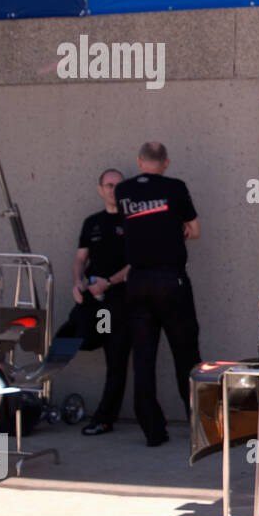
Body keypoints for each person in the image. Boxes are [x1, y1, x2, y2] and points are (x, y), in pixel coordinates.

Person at [113, 142, 202, 447]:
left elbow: (136, 225)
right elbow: (195, 229)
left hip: (136, 280)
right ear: (166, 162)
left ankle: (152, 430)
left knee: (144, 357)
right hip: (169, 279)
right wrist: (178, 228)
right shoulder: (175, 186)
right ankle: (199, 424)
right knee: (186, 354)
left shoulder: (122, 191)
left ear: (139, 162)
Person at [76, 169, 132, 436]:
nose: (113, 190)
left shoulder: (133, 221)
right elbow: (80, 259)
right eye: (109, 186)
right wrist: (78, 281)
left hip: (121, 301)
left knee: (116, 356)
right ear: (100, 189)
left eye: (118, 186)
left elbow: (137, 264)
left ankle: (104, 417)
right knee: (77, 337)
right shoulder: (92, 223)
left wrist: (109, 282)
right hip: (96, 302)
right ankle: (36, 393)